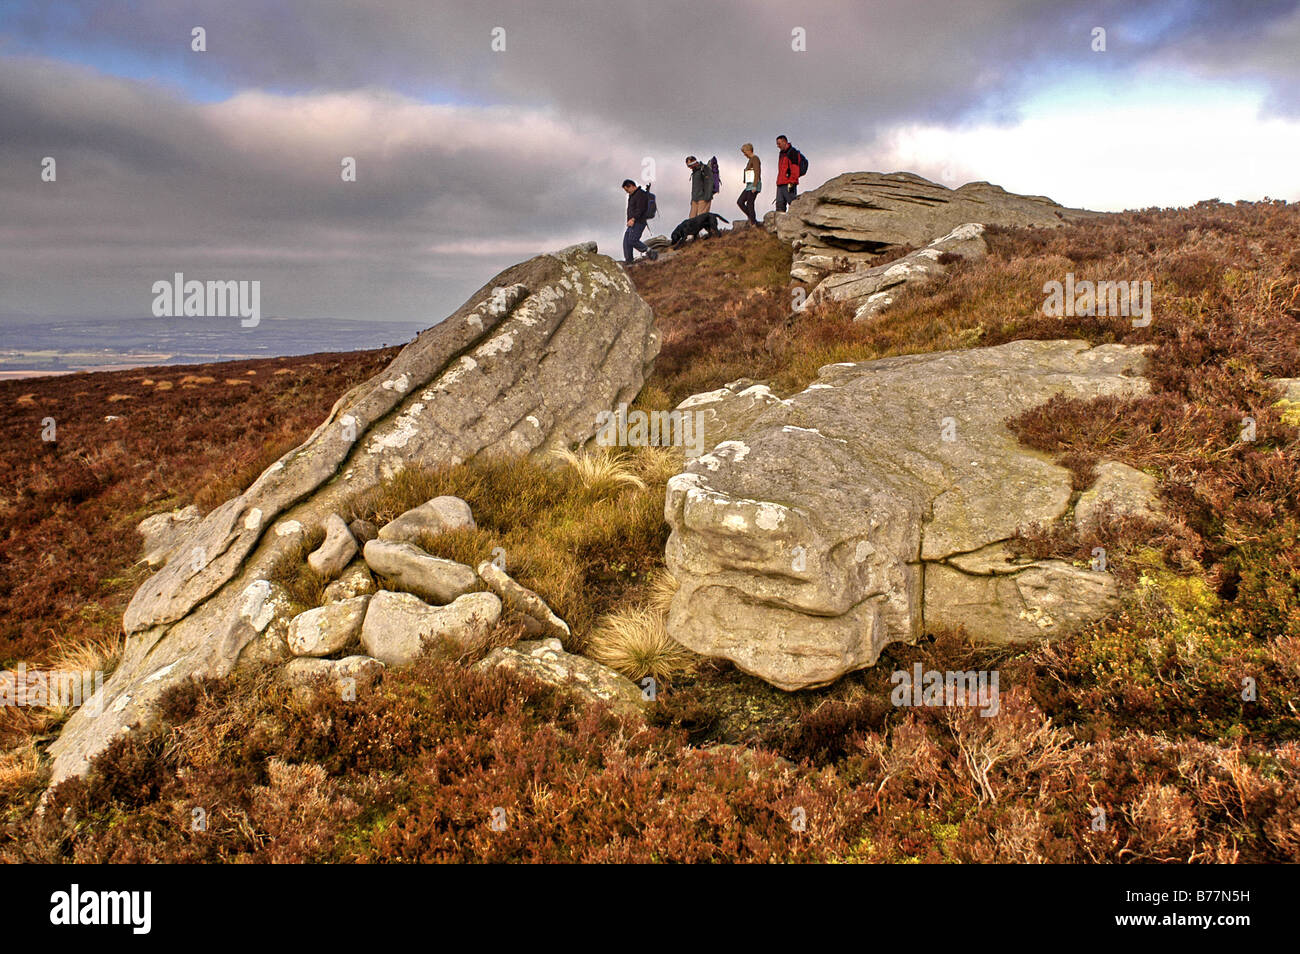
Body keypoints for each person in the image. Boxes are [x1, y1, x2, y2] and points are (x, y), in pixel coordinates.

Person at [621, 179, 657, 264]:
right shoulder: (632, 195)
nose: (627, 192)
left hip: (639, 221)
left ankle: (650, 252)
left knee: (632, 240)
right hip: (632, 222)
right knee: (626, 242)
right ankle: (629, 261)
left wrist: (633, 219)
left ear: (631, 186)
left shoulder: (640, 194)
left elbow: (641, 209)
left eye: (627, 190)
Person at [775, 135, 802, 212]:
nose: (778, 146)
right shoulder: (782, 153)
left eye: (779, 143)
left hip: (789, 183)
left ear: (784, 142)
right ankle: (780, 223)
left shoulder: (792, 152)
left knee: (793, 204)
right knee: (779, 205)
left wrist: (792, 182)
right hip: (780, 183)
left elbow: (795, 168)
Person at [737, 143, 761, 226]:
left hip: (754, 185)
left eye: (745, 152)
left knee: (750, 203)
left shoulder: (755, 159)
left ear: (749, 150)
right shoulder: (750, 160)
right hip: (749, 185)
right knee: (740, 201)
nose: (744, 154)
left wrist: (754, 185)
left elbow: (757, 172)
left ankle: (753, 222)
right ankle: (752, 218)